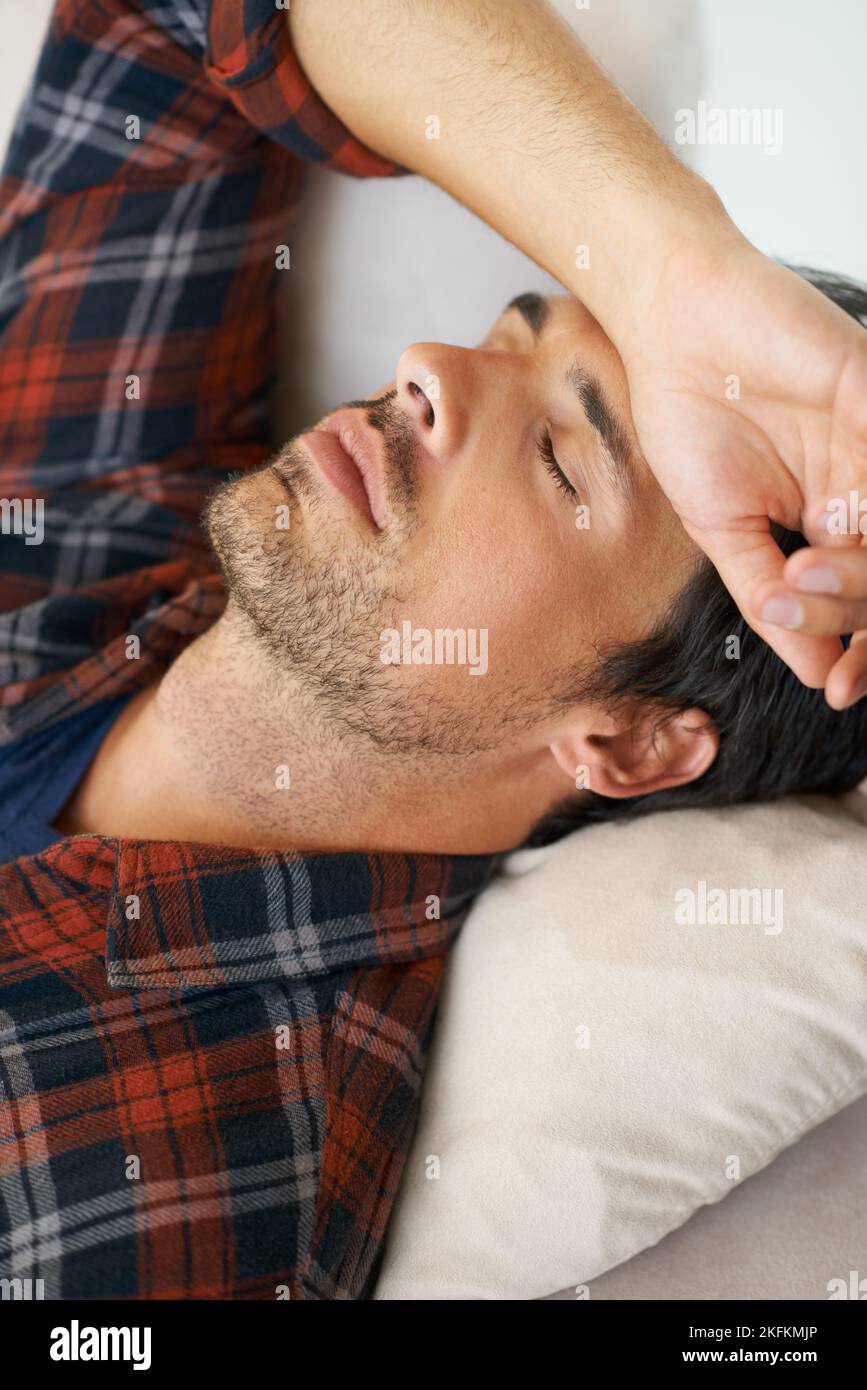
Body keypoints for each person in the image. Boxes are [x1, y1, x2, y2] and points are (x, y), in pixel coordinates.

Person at [0, 0, 864, 1299]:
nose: (426, 372)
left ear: (628, 740)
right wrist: (664, 263)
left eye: (564, 457)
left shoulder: (170, 1179)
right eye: (507, 335)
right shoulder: (98, 514)